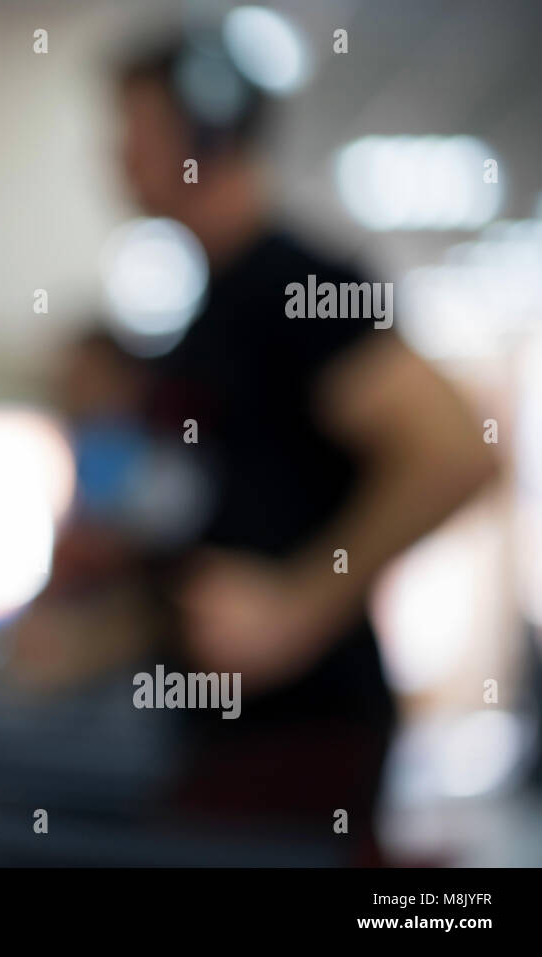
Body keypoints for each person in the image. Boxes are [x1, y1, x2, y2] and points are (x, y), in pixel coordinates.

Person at [108, 31, 498, 857]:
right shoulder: (210, 306)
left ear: (205, 135)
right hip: (225, 734)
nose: (114, 156)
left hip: (301, 737)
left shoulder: (292, 282)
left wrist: (297, 605)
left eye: (134, 130)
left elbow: (458, 451)